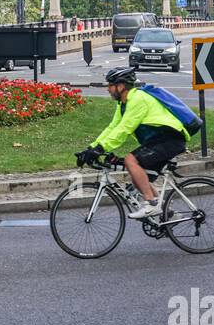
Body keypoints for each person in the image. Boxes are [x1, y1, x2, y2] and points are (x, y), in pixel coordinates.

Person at [76, 66, 188, 219]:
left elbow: (125, 129)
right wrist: (92, 148)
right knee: (138, 178)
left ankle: (151, 205)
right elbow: (113, 127)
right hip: (158, 140)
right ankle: (167, 213)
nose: (108, 89)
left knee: (131, 160)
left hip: (170, 139)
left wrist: (101, 148)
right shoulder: (123, 103)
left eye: (110, 85)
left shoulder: (137, 99)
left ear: (121, 86)